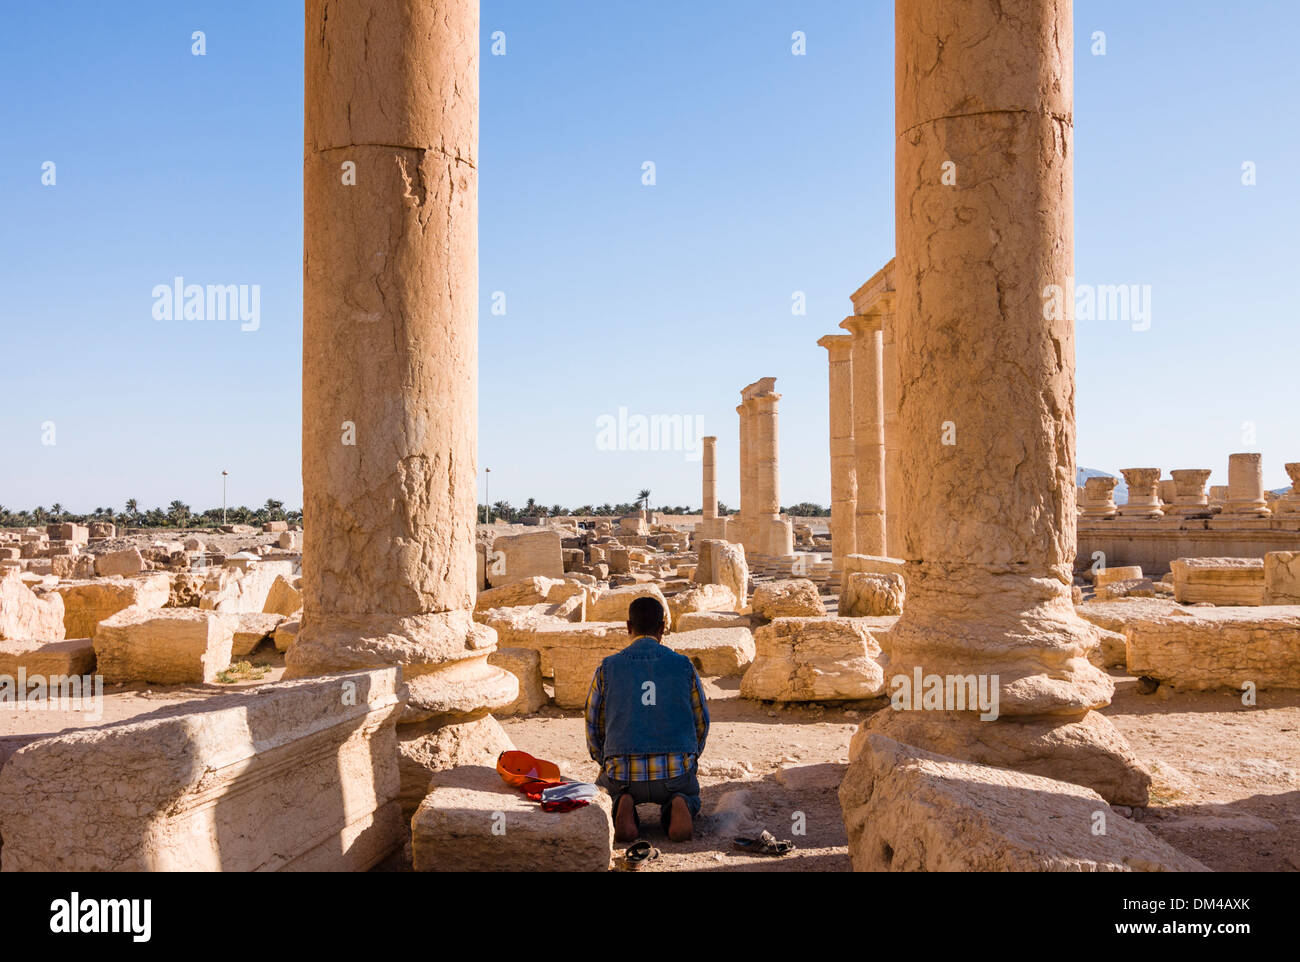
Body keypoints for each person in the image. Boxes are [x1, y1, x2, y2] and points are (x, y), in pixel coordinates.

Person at [584, 595, 709, 843]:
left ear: (628, 627)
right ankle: (679, 803)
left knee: (608, 791)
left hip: (623, 774)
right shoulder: (683, 665)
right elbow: (701, 721)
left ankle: (623, 802)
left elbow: (592, 724)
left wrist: (604, 759)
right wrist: (690, 758)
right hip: (675, 773)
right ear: (663, 628)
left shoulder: (608, 667)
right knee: (689, 793)